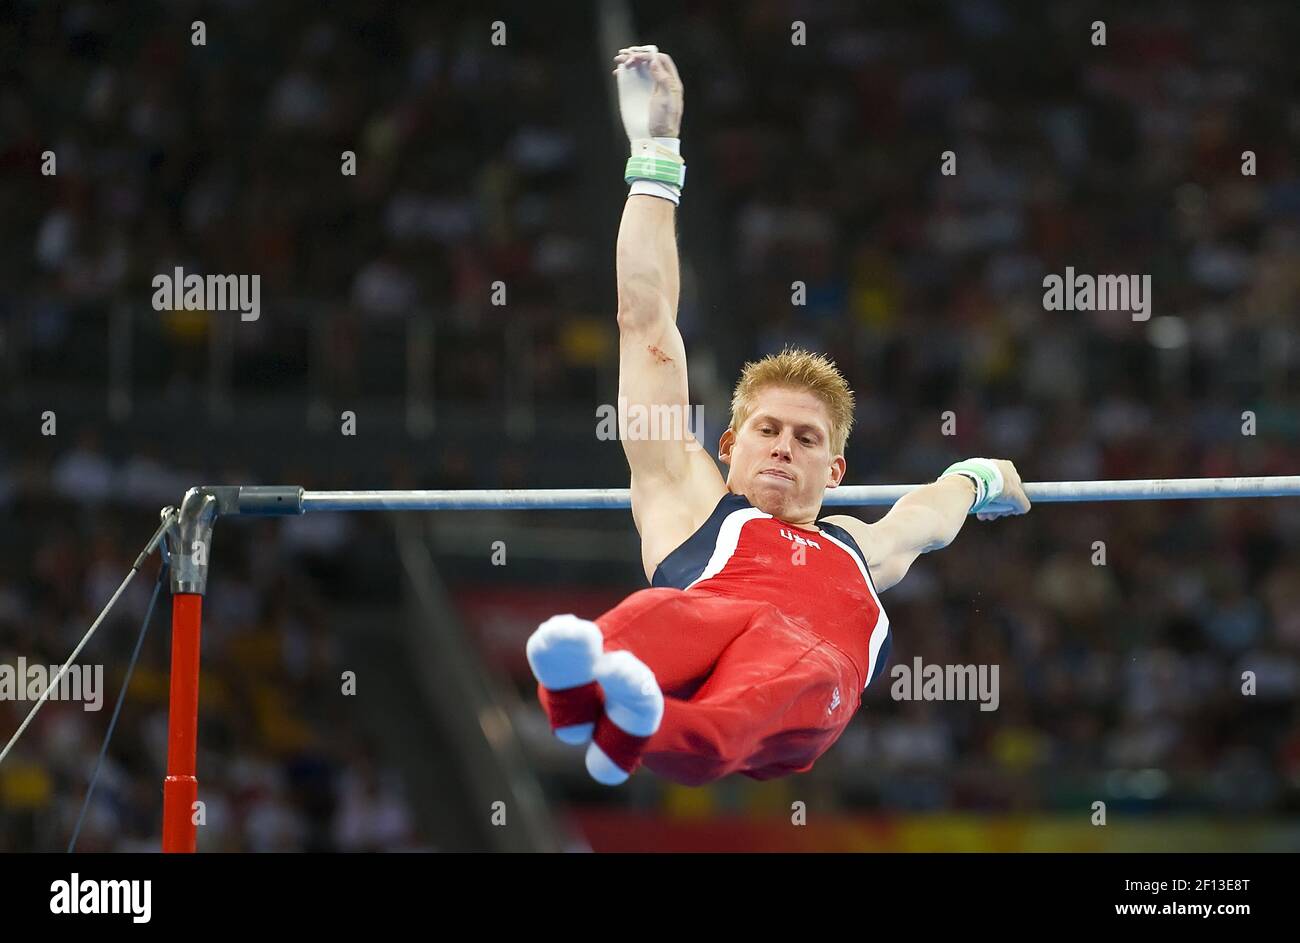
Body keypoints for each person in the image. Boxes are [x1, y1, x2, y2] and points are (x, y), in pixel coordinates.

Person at [526, 46, 1031, 786]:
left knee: (773, 672)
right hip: (710, 628)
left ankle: (645, 725)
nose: (783, 448)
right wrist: (657, 151)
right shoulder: (689, 497)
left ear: (836, 469)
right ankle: (583, 686)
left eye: (805, 438)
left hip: (802, 684)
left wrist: (984, 477)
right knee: (662, 616)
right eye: (766, 430)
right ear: (728, 443)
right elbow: (644, 319)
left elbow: (933, 509)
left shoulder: (862, 546)